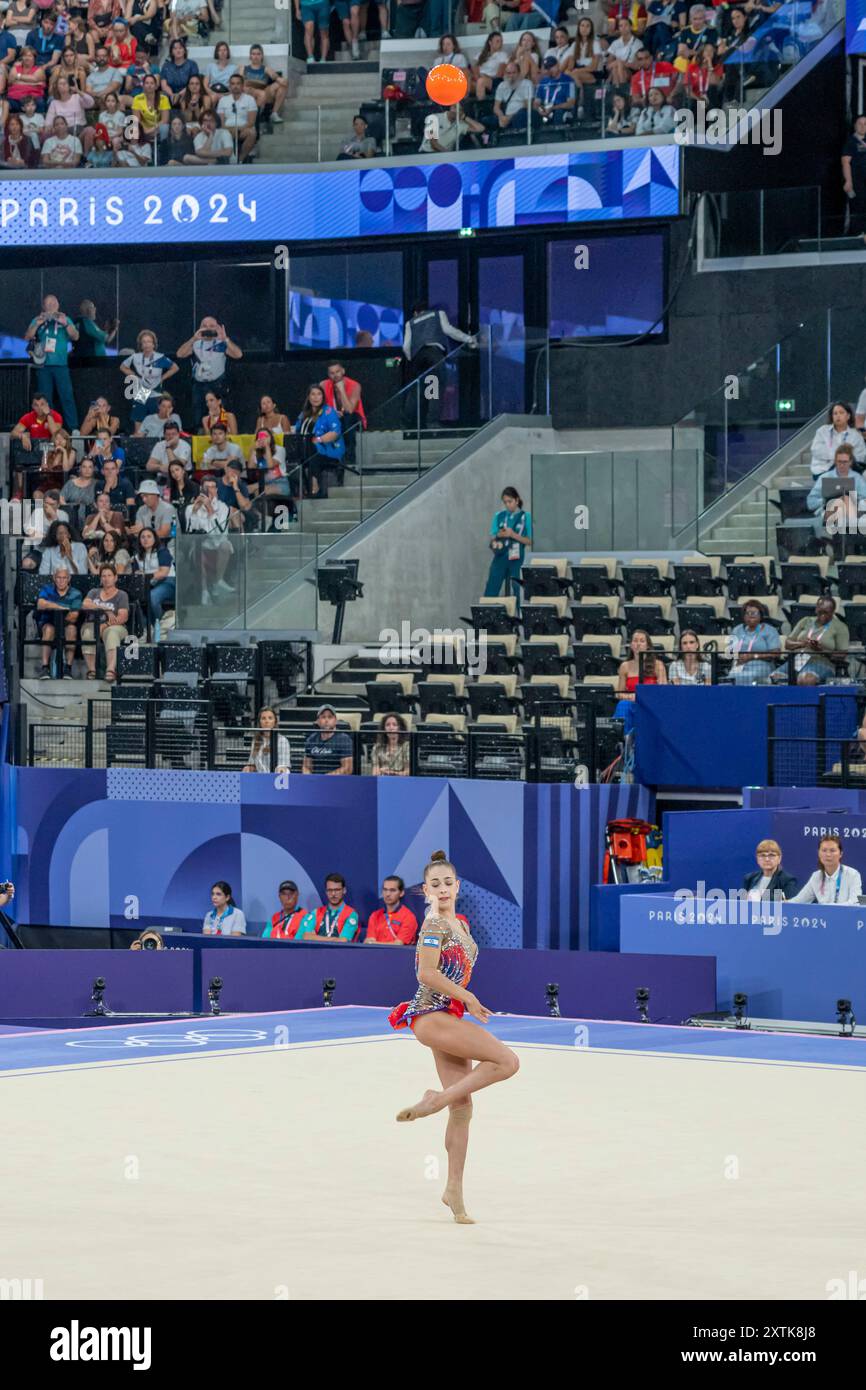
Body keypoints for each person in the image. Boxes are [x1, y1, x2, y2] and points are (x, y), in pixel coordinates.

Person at [389, 850, 519, 1224]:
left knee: (463, 1109)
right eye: (435, 884)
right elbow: (426, 975)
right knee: (507, 1062)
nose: (443, 889)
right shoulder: (433, 926)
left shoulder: (460, 923)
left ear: (458, 886)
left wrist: (462, 1000)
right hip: (432, 1015)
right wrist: (469, 997)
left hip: (446, 1017)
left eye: (448, 883)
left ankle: (453, 1191)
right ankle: (434, 1099)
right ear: (425, 890)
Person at [402, 301, 475, 430]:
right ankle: (432, 422)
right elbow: (450, 331)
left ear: (415, 312)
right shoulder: (437, 314)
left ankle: (407, 423)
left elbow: (406, 347)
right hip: (434, 354)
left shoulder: (410, 323)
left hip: (418, 357)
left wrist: (411, 358)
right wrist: (468, 339)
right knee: (435, 386)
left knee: (416, 390)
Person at [25, 293, 80, 429]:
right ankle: (47, 429)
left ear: (58, 305)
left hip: (61, 365)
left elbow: (76, 336)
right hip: (43, 366)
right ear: (44, 307)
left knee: (67, 397)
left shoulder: (64, 318)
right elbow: (27, 336)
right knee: (45, 400)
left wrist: (65, 323)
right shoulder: (38, 319)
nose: (51, 305)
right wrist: (36, 325)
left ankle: (74, 430)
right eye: (48, 304)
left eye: (53, 303)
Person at [176, 316, 243, 427]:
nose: (208, 328)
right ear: (200, 328)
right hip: (199, 384)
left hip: (217, 384)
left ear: (217, 328)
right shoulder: (196, 343)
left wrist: (225, 339)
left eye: (212, 326)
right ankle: (201, 434)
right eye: (204, 326)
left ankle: (222, 433)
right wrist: (193, 339)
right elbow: (180, 354)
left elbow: (238, 355)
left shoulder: (221, 343)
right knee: (198, 415)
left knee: (220, 413)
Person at [185, 475, 234, 600]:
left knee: (225, 545)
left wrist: (210, 510)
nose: (210, 491)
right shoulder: (190, 508)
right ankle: (204, 591)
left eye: (212, 487)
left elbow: (221, 532)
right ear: (201, 489)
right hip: (200, 546)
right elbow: (190, 532)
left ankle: (218, 581)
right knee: (197, 549)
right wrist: (195, 511)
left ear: (217, 490)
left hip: (218, 545)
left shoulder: (224, 508)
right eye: (207, 488)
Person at [783, 595, 848, 686]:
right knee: (775, 677)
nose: (822, 615)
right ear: (816, 609)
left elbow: (842, 655)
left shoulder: (840, 627)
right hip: (799, 660)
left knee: (806, 679)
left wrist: (822, 650)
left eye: (826, 612)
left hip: (822, 662)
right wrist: (803, 643)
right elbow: (788, 643)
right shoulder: (805, 621)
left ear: (833, 612)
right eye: (820, 611)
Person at [80, 561, 129, 681]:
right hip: (93, 624)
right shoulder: (94, 592)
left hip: (115, 626)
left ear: (115, 577)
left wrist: (105, 625)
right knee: (87, 633)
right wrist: (105, 609)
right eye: (103, 576)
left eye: (109, 575)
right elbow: (85, 604)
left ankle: (111, 670)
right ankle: (92, 670)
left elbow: (123, 617)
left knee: (112, 633)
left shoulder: (121, 595)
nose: (106, 579)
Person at [120, 329, 178, 427]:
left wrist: (162, 378)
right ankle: (138, 440)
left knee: (158, 421)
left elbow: (175, 368)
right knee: (138, 420)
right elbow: (122, 367)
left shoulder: (160, 357)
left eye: (149, 342)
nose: (146, 344)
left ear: (153, 344)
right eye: (144, 342)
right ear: (141, 345)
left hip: (156, 392)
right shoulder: (136, 357)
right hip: (142, 392)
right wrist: (133, 375)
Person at [807, 444, 866, 540]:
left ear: (850, 462)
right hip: (829, 511)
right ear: (835, 461)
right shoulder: (824, 477)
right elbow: (810, 502)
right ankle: (850, 538)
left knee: (846, 500)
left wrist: (854, 500)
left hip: (852, 511)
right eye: (839, 462)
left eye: (845, 462)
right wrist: (824, 501)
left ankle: (842, 539)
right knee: (841, 502)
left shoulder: (857, 479)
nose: (842, 465)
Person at [294, 384, 343, 498]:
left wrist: (319, 439)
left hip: (328, 452)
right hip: (306, 451)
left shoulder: (328, 411)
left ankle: (314, 483)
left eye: (319, 394)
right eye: (313, 394)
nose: (316, 397)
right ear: (308, 397)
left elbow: (335, 433)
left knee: (313, 449)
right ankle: (300, 490)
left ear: (323, 397)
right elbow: (297, 431)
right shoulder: (304, 414)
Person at [484, 486, 531, 600]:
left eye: (510, 501)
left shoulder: (526, 517)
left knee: (517, 590)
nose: (507, 505)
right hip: (501, 556)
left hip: (516, 558)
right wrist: (499, 536)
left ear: (517, 500)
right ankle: (488, 615)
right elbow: (493, 535)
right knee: (491, 587)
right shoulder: (499, 516)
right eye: (505, 502)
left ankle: (518, 616)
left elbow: (530, 541)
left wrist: (513, 534)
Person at [36, 564, 82, 678]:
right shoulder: (47, 589)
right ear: (54, 578)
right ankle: (45, 668)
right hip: (48, 622)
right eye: (58, 578)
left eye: (64, 578)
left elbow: (74, 616)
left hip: (67, 624)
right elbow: (41, 604)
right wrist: (60, 608)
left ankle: (68, 668)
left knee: (72, 629)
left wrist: (51, 607)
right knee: (49, 630)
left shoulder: (76, 593)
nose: (61, 581)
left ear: (69, 579)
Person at [790, 835, 862, 905]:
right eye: (824, 850)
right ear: (819, 853)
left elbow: (855, 902)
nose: (828, 854)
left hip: (846, 916)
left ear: (841, 854)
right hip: (823, 916)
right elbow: (798, 901)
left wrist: (831, 907)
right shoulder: (816, 876)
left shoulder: (853, 875)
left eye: (832, 850)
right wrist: (782, 904)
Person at [320, 361, 365, 469]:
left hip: (352, 417)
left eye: (338, 372)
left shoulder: (355, 385)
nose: (335, 375)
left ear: (343, 371)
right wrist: (332, 413)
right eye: (332, 373)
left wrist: (341, 389)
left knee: (348, 418)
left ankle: (349, 458)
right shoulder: (323, 385)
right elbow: (319, 406)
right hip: (332, 416)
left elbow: (350, 409)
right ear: (328, 375)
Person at [727, 600, 780, 684]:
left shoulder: (769, 630)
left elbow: (776, 653)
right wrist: (737, 656)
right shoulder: (737, 630)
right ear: (744, 616)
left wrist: (753, 656)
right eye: (747, 613)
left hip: (761, 666)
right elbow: (730, 651)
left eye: (754, 613)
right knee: (730, 679)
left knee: (746, 677)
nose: (750, 616)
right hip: (739, 665)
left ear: (760, 615)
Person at [133, 526, 175, 633]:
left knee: (152, 597)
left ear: (154, 539)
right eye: (142, 537)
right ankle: (147, 628)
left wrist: (146, 575)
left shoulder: (162, 552)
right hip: (149, 584)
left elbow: (163, 572)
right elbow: (137, 574)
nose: (145, 539)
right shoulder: (137, 556)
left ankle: (161, 625)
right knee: (134, 599)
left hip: (168, 583)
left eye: (149, 536)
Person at [809, 403, 865, 479]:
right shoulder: (822, 431)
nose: (838, 416)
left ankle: (848, 490)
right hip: (823, 470)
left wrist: (842, 458)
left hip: (848, 469)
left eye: (841, 413)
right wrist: (841, 456)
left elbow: (860, 457)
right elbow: (816, 451)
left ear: (848, 416)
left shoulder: (855, 435)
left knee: (848, 470)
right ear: (832, 416)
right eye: (835, 413)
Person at [298, 873, 360, 942]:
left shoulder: (351, 914)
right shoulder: (316, 912)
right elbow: (306, 937)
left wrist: (315, 937)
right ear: (326, 892)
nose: (333, 894)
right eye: (330, 890)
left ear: (344, 890)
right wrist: (334, 939)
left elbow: (343, 941)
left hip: (340, 952)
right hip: (317, 952)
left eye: (337, 890)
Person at [215, 72, 258, 162]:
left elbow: (251, 122)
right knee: (219, 133)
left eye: (238, 83)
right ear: (229, 86)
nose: (235, 86)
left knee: (252, 133)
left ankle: (240, 159)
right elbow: (220, 122)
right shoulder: (223, 100)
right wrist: (231, 129)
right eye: (233, 84)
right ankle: (228, 159)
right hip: (227, 130)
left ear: (242, 86)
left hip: (243, 129)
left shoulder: (250, 99)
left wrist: (238, 129)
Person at [302, 703, 353, 775]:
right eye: (323, 717)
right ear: (318, 721)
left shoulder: (344, 739)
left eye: (330, 717)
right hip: (315, 781)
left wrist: (326, 778)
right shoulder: (311, 739)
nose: (326, 720)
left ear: (335, 721)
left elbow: (347, 769)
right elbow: (306, 767)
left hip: (337, 782)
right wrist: (309, 778)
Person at [365, 876, 418, 944]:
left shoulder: (408, 917)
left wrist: (373, 943)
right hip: (374, 954)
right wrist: (371, 943)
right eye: (385, 890)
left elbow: (398, 944)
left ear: (401, 893)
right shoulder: (375, 915)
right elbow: (369, 941)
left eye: (392, 890)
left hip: (398, 954)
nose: (388, 894)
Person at [242, 43, 287, 121]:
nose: (256, 56)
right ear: (250, 56)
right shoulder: (244, 68)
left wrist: (280, 79)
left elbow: (274, 76)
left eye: (258, 54)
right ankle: (253, 117)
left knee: (283, 84)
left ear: (262, 56)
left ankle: (274, 113)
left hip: (264, 93)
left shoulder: (266, 69)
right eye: (253, 54)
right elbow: (239, 83)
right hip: (248, 92)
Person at [617, 629, 668, 695]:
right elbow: (620, 694)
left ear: (647, 646)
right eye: (635, 641)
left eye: (642, 641)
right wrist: (629, 697)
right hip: (632, 702)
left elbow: (663, 691)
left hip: (651, 700)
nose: (638, 644)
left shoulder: (658, 665)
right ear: (631, 645)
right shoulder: (624, 666)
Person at [243, 706, 291, 773]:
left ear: (275, 722)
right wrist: (248, 768)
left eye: (270, 718)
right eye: (263, 718)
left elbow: (283, 766)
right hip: (260, 778)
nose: (266, 721)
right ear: (260, 722)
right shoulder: (256, 740)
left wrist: (280, 770)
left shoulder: (282, 741)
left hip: (276, 778)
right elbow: (252, 764)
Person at [842, 114, 866, 238]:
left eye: (865, 124)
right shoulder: (851, 142)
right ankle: (858, 234)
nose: (863, 126)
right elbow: (845, 162)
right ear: (855, 126)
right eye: (860, 124)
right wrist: (848, 181)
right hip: (857, 181)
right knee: (859, 206)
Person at [296, 0, 331, 65]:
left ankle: (323, 59)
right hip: (306, 5)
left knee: (324, 32)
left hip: (322, 3)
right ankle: (310, 57)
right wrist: (297, 9)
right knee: (308, 28)